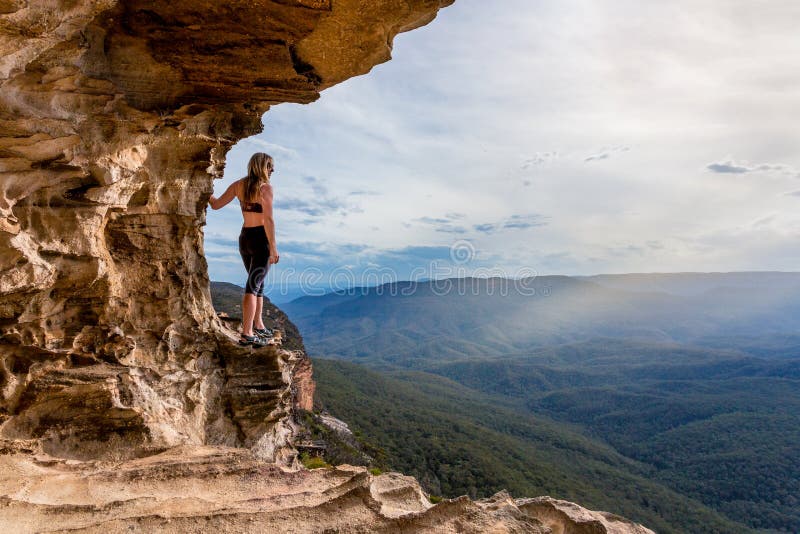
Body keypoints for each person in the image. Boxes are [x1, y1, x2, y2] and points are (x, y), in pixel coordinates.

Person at [208, 152, 280, 346]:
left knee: (258, 283)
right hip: (260, 240)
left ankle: (258, 324)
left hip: (245, 238)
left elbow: (215, 205)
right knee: (253, 285)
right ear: (262, 167)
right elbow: (268, 219)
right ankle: (247, 332)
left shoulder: (238, 186)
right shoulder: (265, 188)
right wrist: (273, 247)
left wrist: (205, 187)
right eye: (270, 166)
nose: (272, 170)